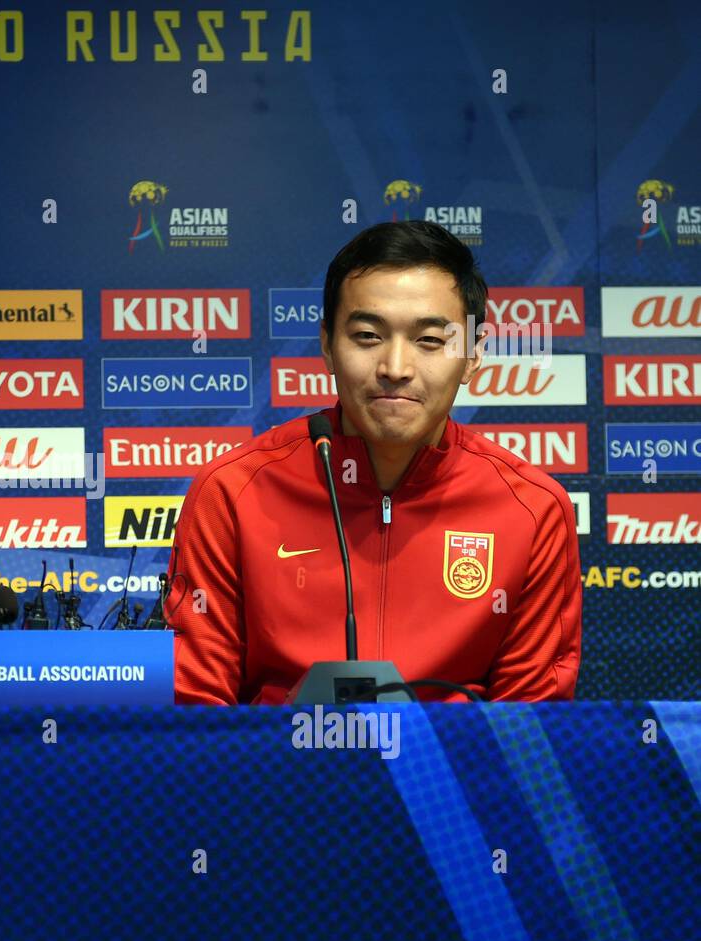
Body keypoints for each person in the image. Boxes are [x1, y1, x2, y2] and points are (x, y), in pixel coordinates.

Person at [166, 221, 582, 703]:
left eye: (430, 340)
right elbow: (197, 711)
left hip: (448, 775)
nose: (396, 368)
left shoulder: (532, 508)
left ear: (473, 354)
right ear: (327, 345)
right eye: (367, 335)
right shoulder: (234, 491)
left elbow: (530, 731)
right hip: (278, 771)